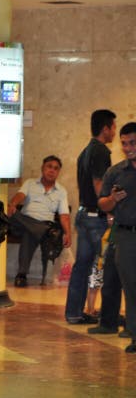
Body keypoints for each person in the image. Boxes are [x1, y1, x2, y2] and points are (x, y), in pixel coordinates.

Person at [65, 109, 117, 324]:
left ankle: (74, 313)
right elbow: (99, 185)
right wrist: (110, 211)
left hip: (83, 214)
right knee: (112, 265)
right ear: (105, 129)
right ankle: (109, 317)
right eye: (113, 127)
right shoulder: (101, 151)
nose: (114, 132)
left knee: (82, 266)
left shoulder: (85, 151)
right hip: (97, 218)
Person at [98, 122, 136, 353]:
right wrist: (113, 199)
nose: (128, 148)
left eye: (132, 143)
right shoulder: (115, 172)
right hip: (126, 236)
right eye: (124, 143)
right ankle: (135, 336)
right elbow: (102, 204)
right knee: (131, 287)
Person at [8, 155, 71, 286]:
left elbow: (64, 215)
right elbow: (20, 195)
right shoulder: (30, 183)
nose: (52, 170)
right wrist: (13, 204)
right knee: (14, 215)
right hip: (24, 221)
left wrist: (68, 233)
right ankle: (46, 231)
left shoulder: (61, 191)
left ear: (59, 172)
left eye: (56, 168)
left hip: (41, 224)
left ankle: (22, 275)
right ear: (42, 168)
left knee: (29, 233)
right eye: (49, 166)